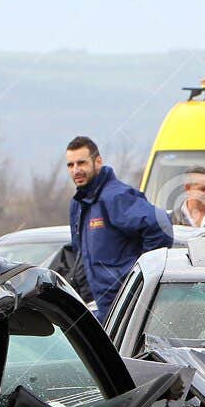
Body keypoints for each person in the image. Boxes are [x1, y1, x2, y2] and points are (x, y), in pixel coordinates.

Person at [65, 136, 173, 318]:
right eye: (71, 165)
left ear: (97, 162)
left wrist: (139, 276)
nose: (76, 170)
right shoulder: (79, 204)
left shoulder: (115, 197)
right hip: (101, 305)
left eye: (81, 163)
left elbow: (161, 225)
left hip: (127, 304)